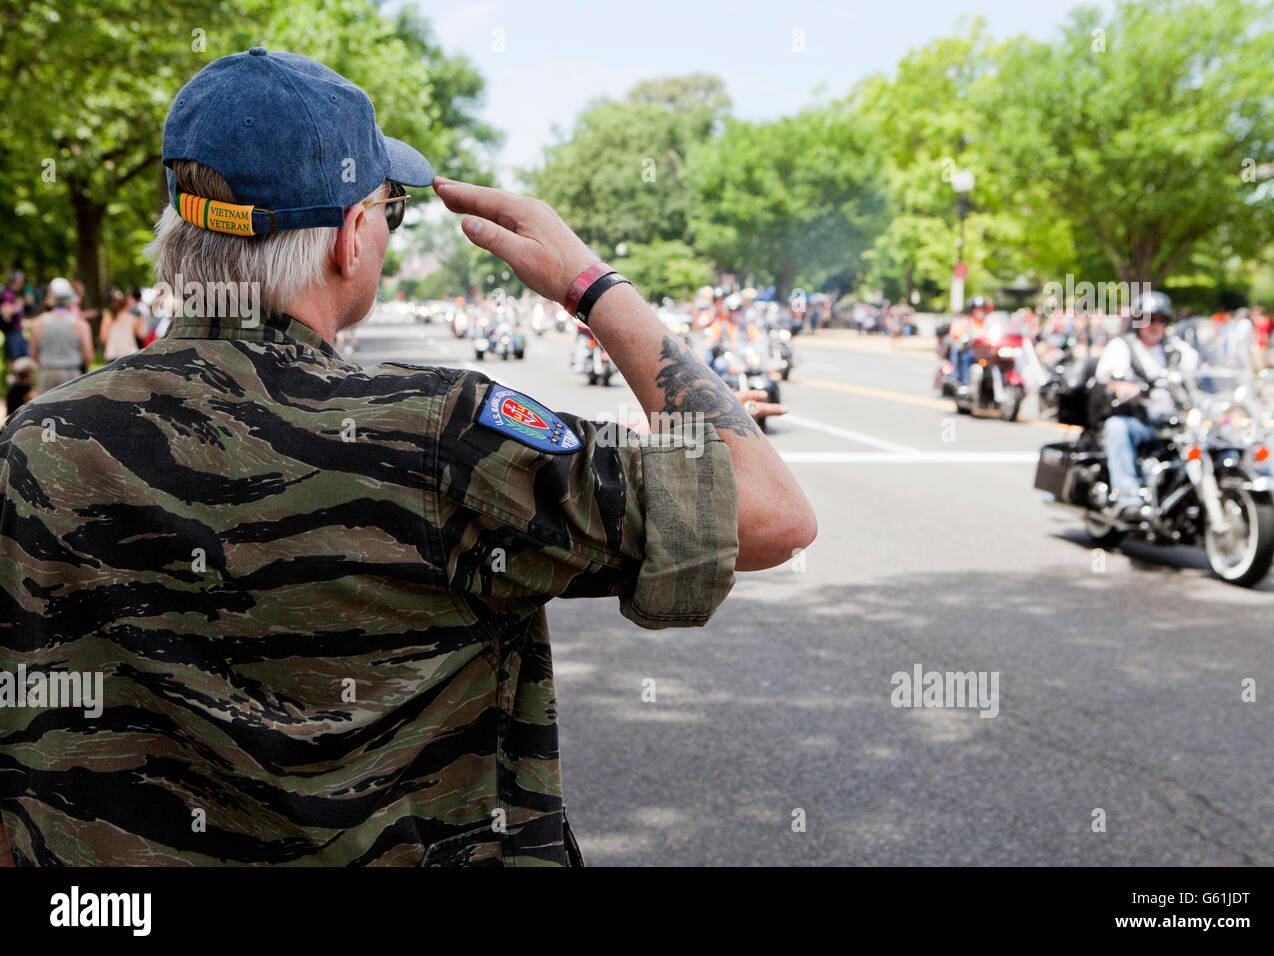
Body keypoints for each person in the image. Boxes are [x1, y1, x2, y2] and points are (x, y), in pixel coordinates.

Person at [0, 48, 816, 868]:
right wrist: (588, 283)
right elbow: (770, 511)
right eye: (389, 206)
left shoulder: (35, 440)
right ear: (352, 238)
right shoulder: (443, 437)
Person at [1094, 291, 1199, 520]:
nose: (1156, 325)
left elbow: (1200, 370)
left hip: (1175, 422)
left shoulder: (1175, 348)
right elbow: (1110, 376)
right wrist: (1123, 386)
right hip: (1139, 419)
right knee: (1117, 427)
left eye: (1162, 319)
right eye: (1150, 318)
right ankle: (1128, 498)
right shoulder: (1122, 346)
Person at [27, 276, 94, 394]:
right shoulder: (80, 324)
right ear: (71, 301)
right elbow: (89, 357)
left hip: (46, 374)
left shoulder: (38, 323)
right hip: (71, 374)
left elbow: (32, 355)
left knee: (44, 411)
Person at [949, 295, 992, 389]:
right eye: (977, 309)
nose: (980, 312)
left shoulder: (988, 323)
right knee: (967, 356)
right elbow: (956, 332)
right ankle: (965, 384)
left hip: (986, 353)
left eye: (982, 309)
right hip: (972, 350)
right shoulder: (966, 321)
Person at [99, 288, 143, 360]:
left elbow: (103, 338)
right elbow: (141, 335)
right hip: (130, 354)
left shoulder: (107, 318)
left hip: (113, 355)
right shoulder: (132, 319)